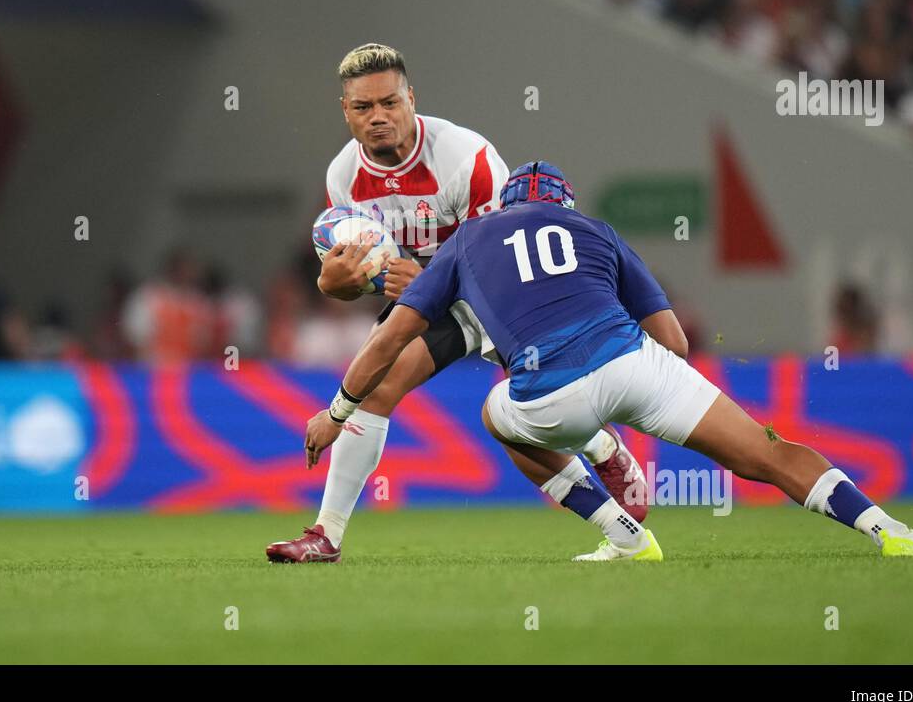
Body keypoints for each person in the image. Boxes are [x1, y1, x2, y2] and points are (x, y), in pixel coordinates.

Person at [305, 161, 913, 561]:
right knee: (765, 453)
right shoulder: (597, 229)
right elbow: (674, 339)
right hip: (637, 365)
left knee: (496, 413)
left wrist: (339, 411)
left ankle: (623, 535)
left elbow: (393, 335)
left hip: (549, 391)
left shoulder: (472, 237)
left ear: (507, 204)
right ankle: (892, 531)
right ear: (564, 204)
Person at [267, 44, 649, 563]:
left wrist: (422, 278)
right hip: (435, 299)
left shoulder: (465, 158)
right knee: (376, 389)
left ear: (411, 98)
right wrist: (339, 283)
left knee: (529, 412)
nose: (378, 117)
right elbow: (372, 267)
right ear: (345, 110)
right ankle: (326, 535)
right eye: (363, 108)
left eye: (389, 102)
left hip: (501, 291)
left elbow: (502, 257)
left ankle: (602, 449)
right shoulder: (342, 178)